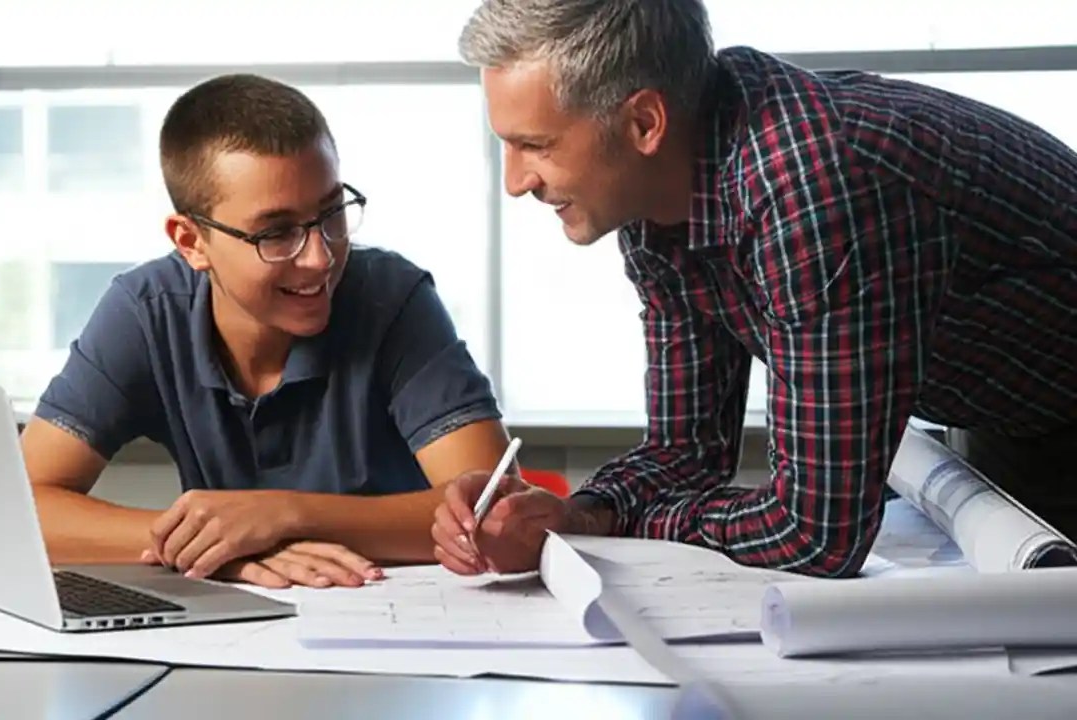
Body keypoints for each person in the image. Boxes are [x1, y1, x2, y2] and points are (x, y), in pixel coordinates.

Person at [433, 0, 1077, 578]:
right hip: (1017, 416)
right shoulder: (654, 199)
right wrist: (575, 512)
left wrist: (617, 523)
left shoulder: (816, 190)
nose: (516, 181)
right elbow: (684, 454)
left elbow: (816, 535)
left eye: (534, 145)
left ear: (645, 122)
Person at [22, 74, 512, 589]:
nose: (320, 256)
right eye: (276, 233)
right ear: (191, 242)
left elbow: (493, 505)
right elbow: (18, 505)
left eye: (332, 214)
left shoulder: (392, 298)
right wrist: (214, 544)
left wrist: (285, 515)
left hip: (391, 609)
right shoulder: (145, 312)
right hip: (235, 624)